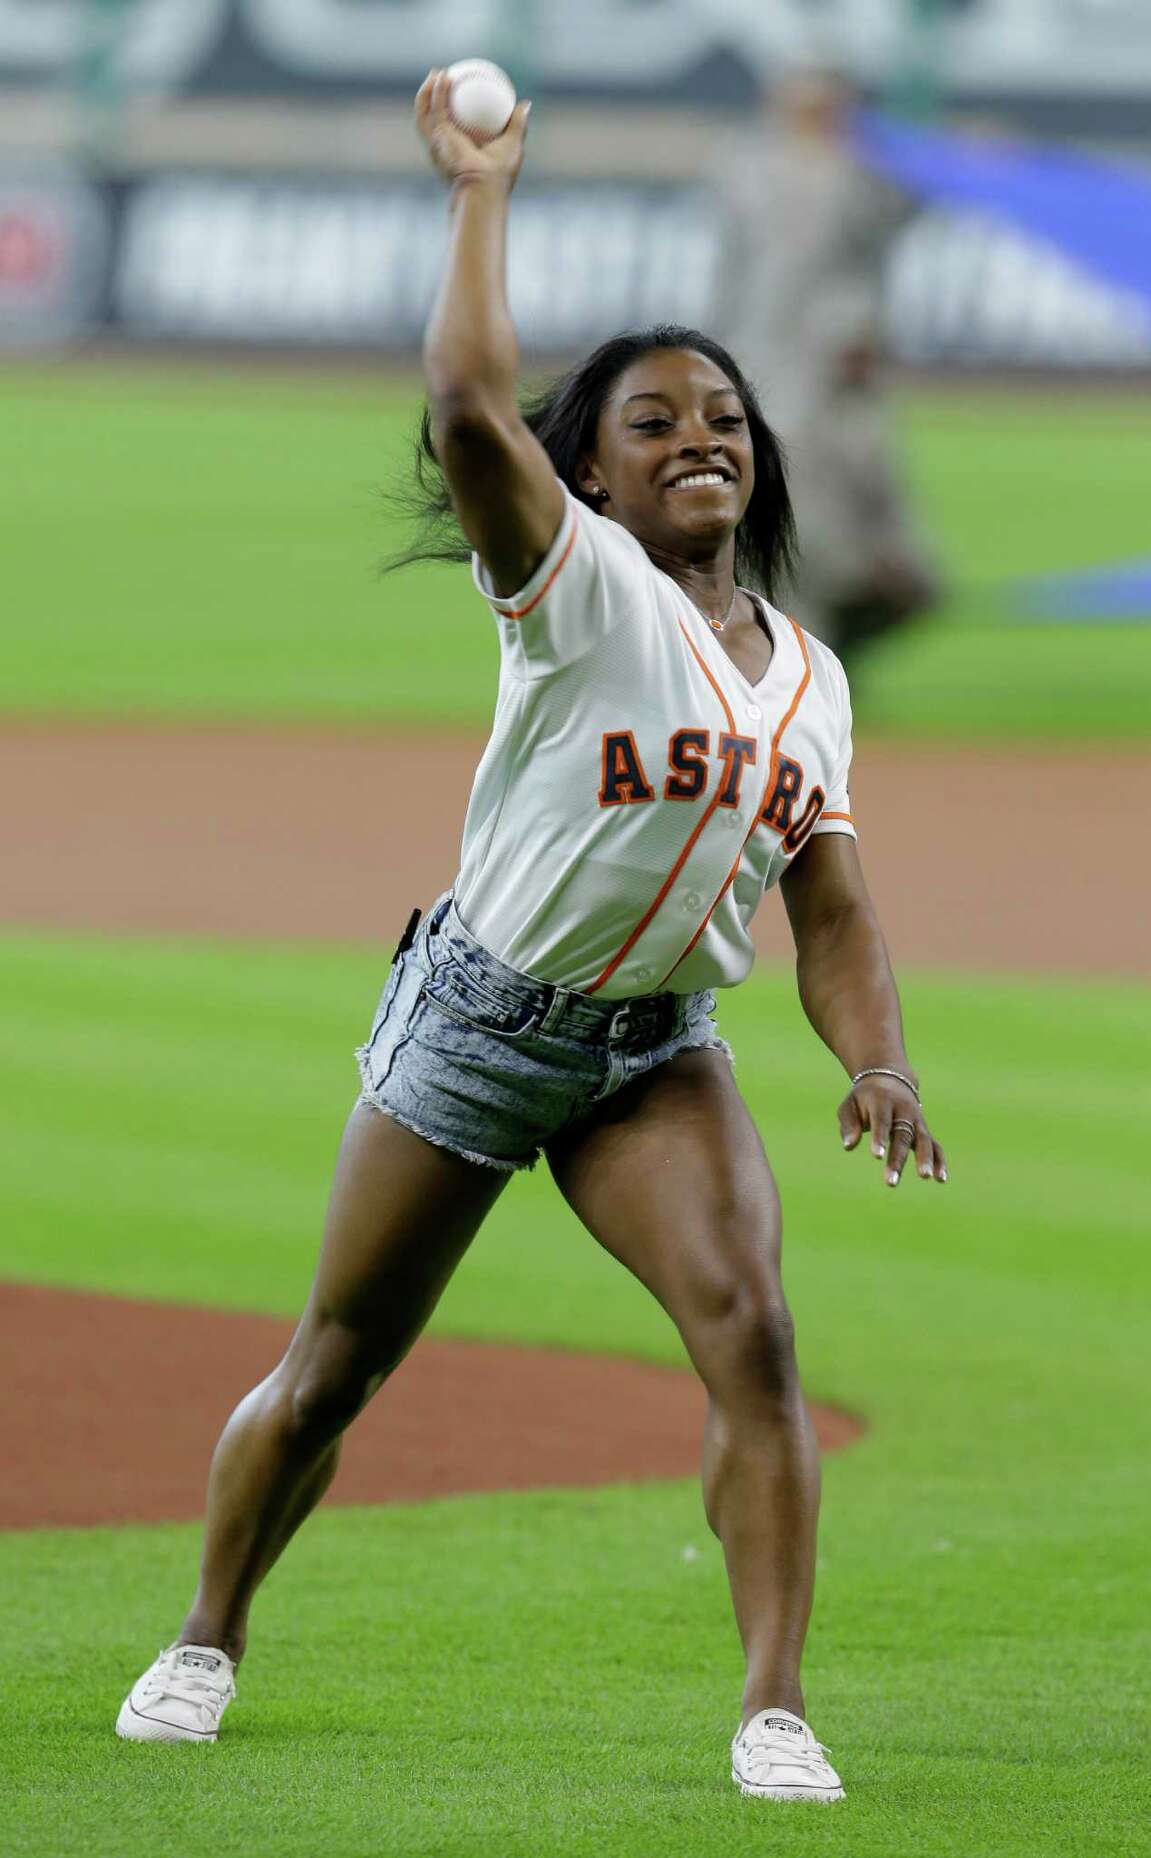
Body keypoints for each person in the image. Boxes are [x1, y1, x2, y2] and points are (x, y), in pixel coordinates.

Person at [115, 71, 948, 1804]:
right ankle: (206, 1631)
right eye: (652, 421)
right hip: (481, 1023)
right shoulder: (577, 594)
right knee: (336, 1364)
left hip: (659, 1053)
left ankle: (774, 1706)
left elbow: (831, 900)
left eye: (723, 415)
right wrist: (479, 192)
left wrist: (877, 1058)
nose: (700, 435)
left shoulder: (809, 673)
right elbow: (465, 405)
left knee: (755, 1335)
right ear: (588, 475)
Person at [709, 66, 941, 682]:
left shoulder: (862, 174)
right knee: (797, 540)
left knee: (898, 571)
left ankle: (828, 660)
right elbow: (734, 275)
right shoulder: (749, 168)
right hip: (768, 374)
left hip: (837, 377)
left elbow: (909, 200)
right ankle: (797, 675)